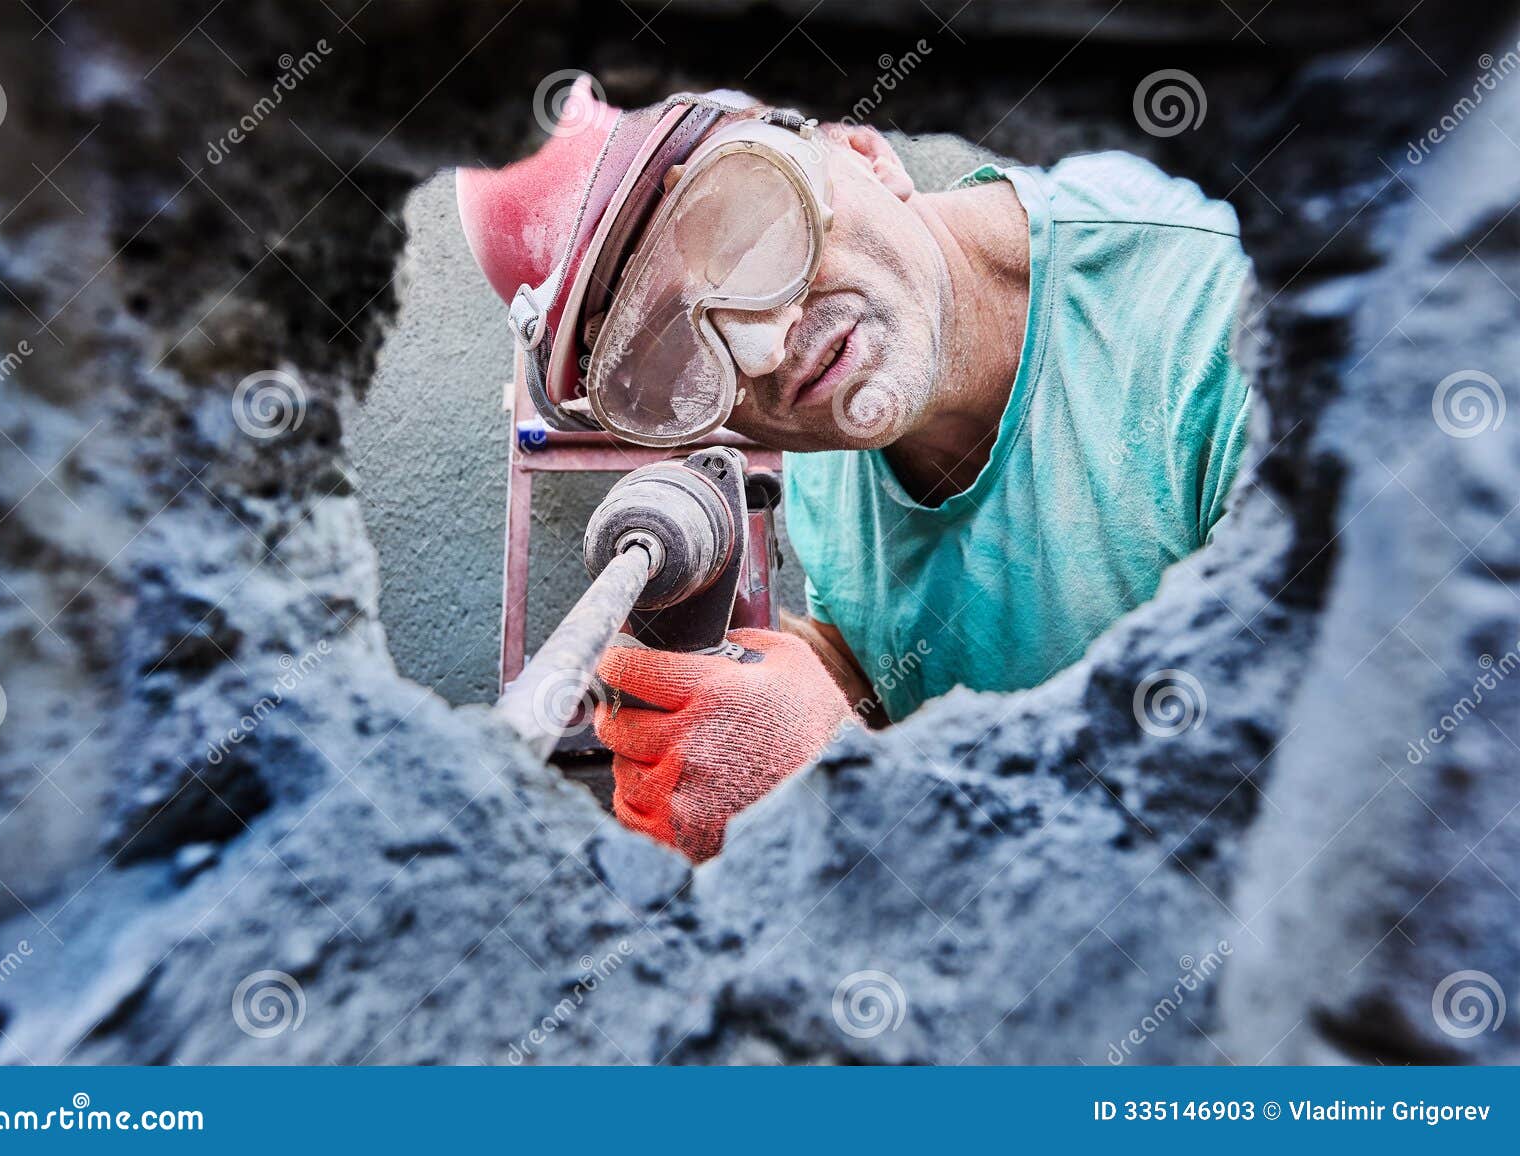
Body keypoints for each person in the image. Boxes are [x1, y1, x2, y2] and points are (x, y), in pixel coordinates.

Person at [458, 81, 1251, 861]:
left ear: (858, 148)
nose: (763, 354)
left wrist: (860, 810)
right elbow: (892, 669)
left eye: (746, 231)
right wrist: (786, 689)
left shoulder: (1242, 332)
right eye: (671, 354)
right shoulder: (840, 438)